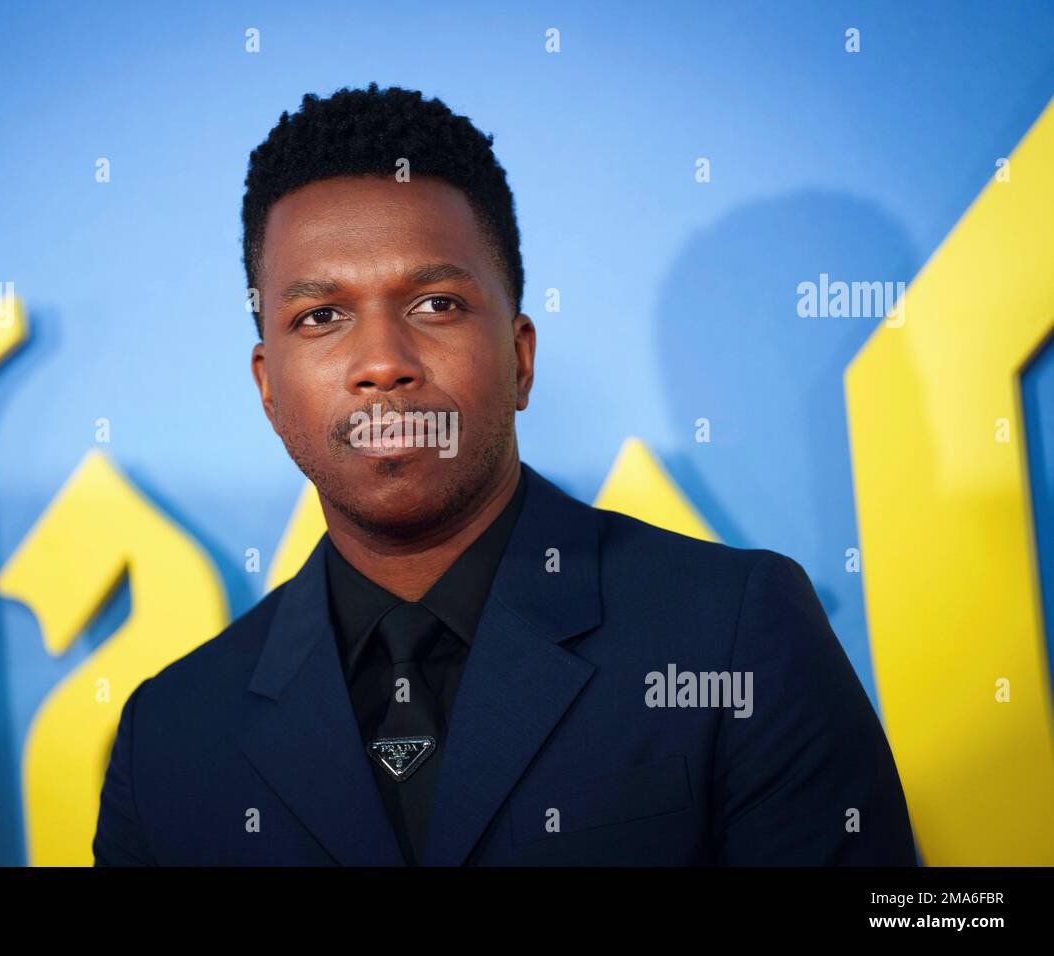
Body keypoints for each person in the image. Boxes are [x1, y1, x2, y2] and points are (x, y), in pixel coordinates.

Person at [93, 83, 917, 866]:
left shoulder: (736, 631)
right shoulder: (170, 736)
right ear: (269, 389)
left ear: (520, 359)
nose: (382, 362)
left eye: (435, 305)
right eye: (321, 317)